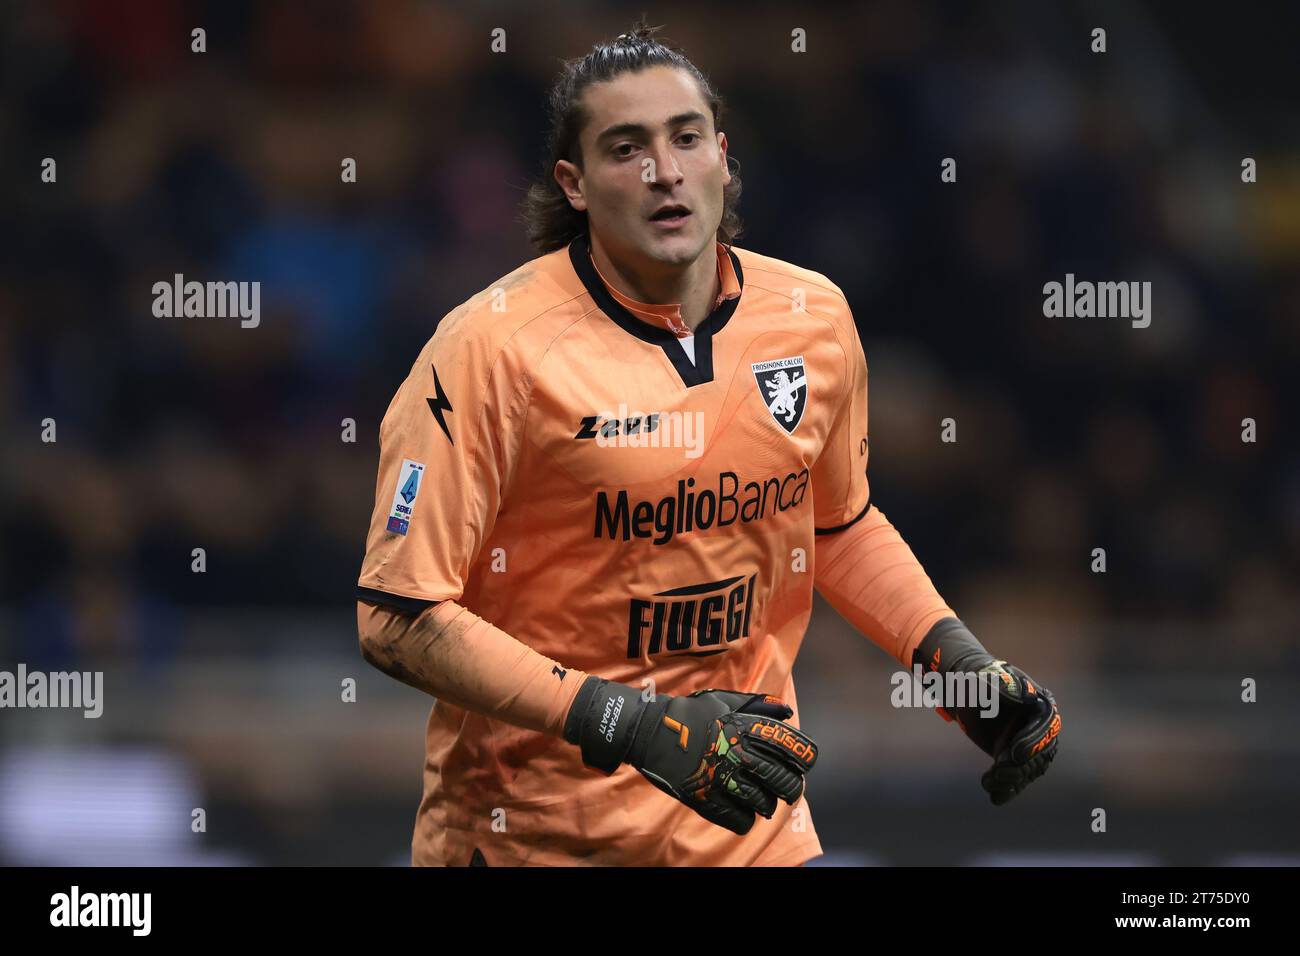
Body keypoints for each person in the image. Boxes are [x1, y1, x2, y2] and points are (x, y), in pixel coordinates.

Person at [355, 22, 1060, 867]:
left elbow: (835, 525)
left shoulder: (812, 318)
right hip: (532, 839)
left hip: (749, 828)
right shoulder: (488, 351)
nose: (664, 171)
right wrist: (633, 724)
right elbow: (398, 617)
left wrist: (955, 663)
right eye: (627, 148)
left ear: (722, 157)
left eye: (685, 138)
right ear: (573, 185)